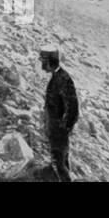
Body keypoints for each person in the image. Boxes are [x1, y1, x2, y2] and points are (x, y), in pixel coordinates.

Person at [40, 45, 79, 182]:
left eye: (43, 61)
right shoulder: (57, 77)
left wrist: (64, 128)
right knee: (61, 164)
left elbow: (73, 108)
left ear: (49, 61)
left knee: (59, 165)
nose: (41, 64)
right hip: (55, 131)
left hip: (59, 132)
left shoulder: (63, 79)